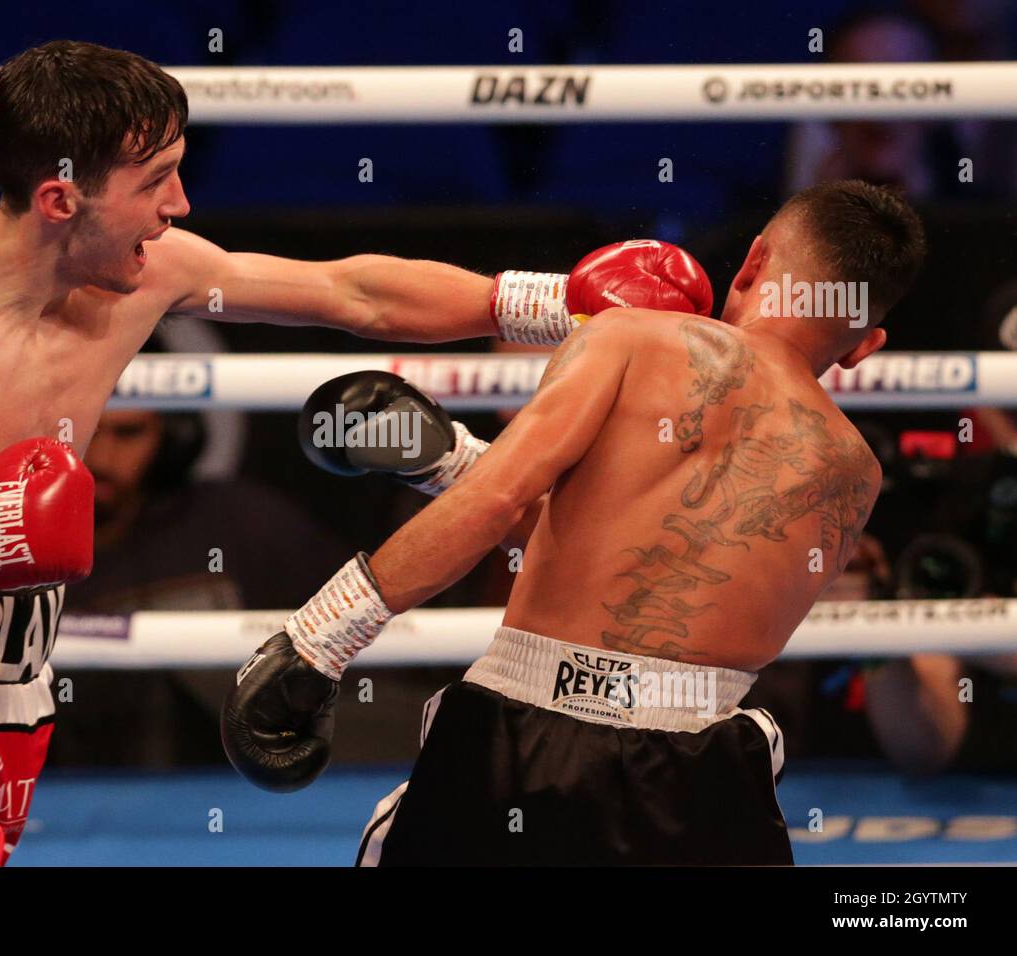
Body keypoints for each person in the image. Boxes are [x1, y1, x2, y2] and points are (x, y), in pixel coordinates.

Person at [0, 39, 707, 867]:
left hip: (13, 705)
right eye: (153, 181)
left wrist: (551, 304)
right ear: (59, 197)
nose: (181, 202)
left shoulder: (138, 275)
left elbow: (352, 293)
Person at [222, 179, 926, 865]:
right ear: (867, 345)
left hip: (525, 729)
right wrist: (449, 460)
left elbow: (506, 504)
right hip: (705, 770)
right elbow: (639, 552)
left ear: (750, 265)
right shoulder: (855, 475)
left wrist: (315, 640)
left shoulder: (634, 340)